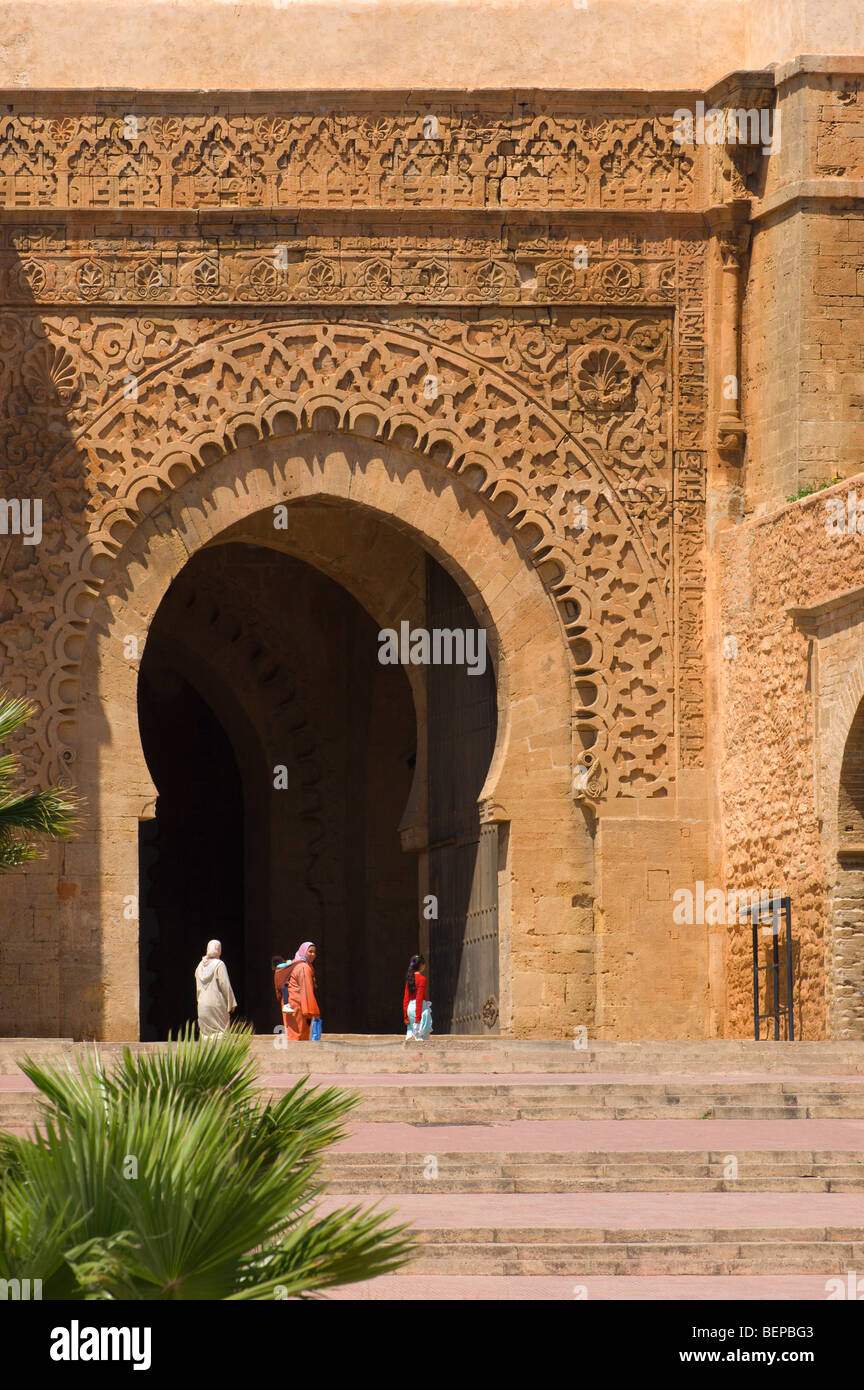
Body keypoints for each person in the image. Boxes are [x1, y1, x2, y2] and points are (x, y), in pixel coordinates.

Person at [195, 939, 237, 1037]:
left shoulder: (199, 966)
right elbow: (225, 985)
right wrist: (231, 1003)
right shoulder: (219, 965)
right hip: (216, 1004)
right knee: (221, 1033)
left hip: (202, 1006)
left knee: (206, 1035)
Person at [282, 941, 320, 1042]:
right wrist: (313, 1010)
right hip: (297, 1005)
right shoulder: (303, 967)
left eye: (314, 952)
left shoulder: (295, 963)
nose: (313, 954)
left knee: (293, 1033)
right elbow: (306, 990)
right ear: (303, 952)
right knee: (298, 1035)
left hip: (291, 1004)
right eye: (310, 951)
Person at [403, 954, 431, 1041]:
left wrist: (405, 1016)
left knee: (412, 1034)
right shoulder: (422, 979)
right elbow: (419, 998)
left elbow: (406, 998)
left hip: (410, 1009)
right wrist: (418, 1017)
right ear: (421, 965)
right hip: (419, 1009)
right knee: (422, 1037)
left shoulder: (409, 978)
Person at [271, 953, 294, 1032]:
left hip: (281, 993)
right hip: (286, 991)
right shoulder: (282, 967)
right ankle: (286, 1005)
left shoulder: (277, 970)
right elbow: (290, 963)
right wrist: (290, 961)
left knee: (286, 1021)